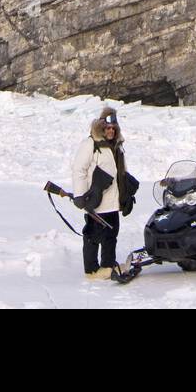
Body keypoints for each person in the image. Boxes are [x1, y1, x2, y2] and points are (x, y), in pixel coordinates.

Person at [71, 107, 135, 279]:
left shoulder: (117, 146)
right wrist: (79, 195)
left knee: (111, 234)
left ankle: (107, 265)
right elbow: (79, 170)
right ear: (101, 128)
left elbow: (122, 173)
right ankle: (91, 270)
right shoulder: (90, 144)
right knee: (93, 235)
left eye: (113, 128)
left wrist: (127, 195)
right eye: (107, 128)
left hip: (113, 202)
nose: (110, 131)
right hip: (96, 201)